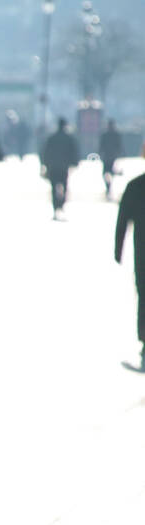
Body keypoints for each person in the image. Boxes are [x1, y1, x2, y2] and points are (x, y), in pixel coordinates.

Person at [115, 146, 145, 367]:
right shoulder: (134, 186)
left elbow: (122, 221)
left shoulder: (135, 186)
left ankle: (144, 338)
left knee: (143, 294)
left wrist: (118, 249)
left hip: (142, 251)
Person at [41, 118, 80, 219]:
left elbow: (45, 152)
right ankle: (61, 203)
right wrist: (74, 162)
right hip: (63, 167)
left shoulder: (52, 138)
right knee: (64, 186)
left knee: (54, 188)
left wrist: (44, 164)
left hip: (53, 167)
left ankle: (56, 206)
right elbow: (73, 151)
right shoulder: (68, 138)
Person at [100, 119, 123, 198]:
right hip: (109, 156)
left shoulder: (108, 134)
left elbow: (118, 145)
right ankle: (108, 185)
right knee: (107, 172)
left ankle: (108, 186)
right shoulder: (110, 134)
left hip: (110, 157)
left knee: (106, 172)